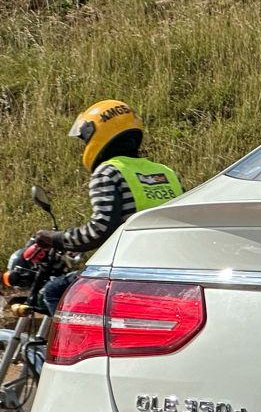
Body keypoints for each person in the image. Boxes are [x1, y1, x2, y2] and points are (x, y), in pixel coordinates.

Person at [29, 100, 184, 312]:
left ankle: (73, 342)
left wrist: (55, 238)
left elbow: (98, 231)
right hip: (172, 269)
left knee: (55, 291)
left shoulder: (109, 172)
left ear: (96, 132)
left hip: (128, 271)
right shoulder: (166, 172)